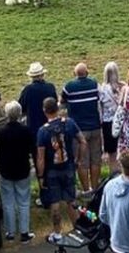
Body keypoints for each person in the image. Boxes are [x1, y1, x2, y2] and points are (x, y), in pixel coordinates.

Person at [36, 98, 87, 246]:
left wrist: (40, 176)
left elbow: (40, 157)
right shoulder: (69, 123)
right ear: (57, 109)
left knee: (55, 202)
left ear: (44, 111)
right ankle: (78, 229)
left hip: (52, 171)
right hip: (69, 167)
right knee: (71, 199)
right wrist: (78, 160)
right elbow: (82, 142)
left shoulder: (43, 131)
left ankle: (57, 232)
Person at [60, 63, 102, 196]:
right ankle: (95, 188)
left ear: (75, 74)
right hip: (95, 127)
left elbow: (62, 101)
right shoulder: (95, 84)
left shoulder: (69, 87)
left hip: (79, 130)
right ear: (87, 73)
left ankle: (86, 190)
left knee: (82, 161)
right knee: (96, 159)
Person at [0, 102, 34, 244]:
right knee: (24, 202)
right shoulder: (26, 130)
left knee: (8, 202)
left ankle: (10, 232)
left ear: (7, 114)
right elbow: (31, 148)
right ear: (19, 114)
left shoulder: (1, 132)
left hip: (5, 170)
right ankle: (24, 232)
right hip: (22, 168)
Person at [18, 63, 57, 151]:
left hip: (34, 129)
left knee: (37, 155)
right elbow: (55, 103)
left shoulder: (28, 90)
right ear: (42, 75)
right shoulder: (50, 87)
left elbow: (21, 108)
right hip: (50, 127)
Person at [99, 62, 123, 173]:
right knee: (124, 150)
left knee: (112, 153)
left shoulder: (102, 89)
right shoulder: (123, 87)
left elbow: (100, 107)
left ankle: (113, 174)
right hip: (121, 121)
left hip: (108, 123)